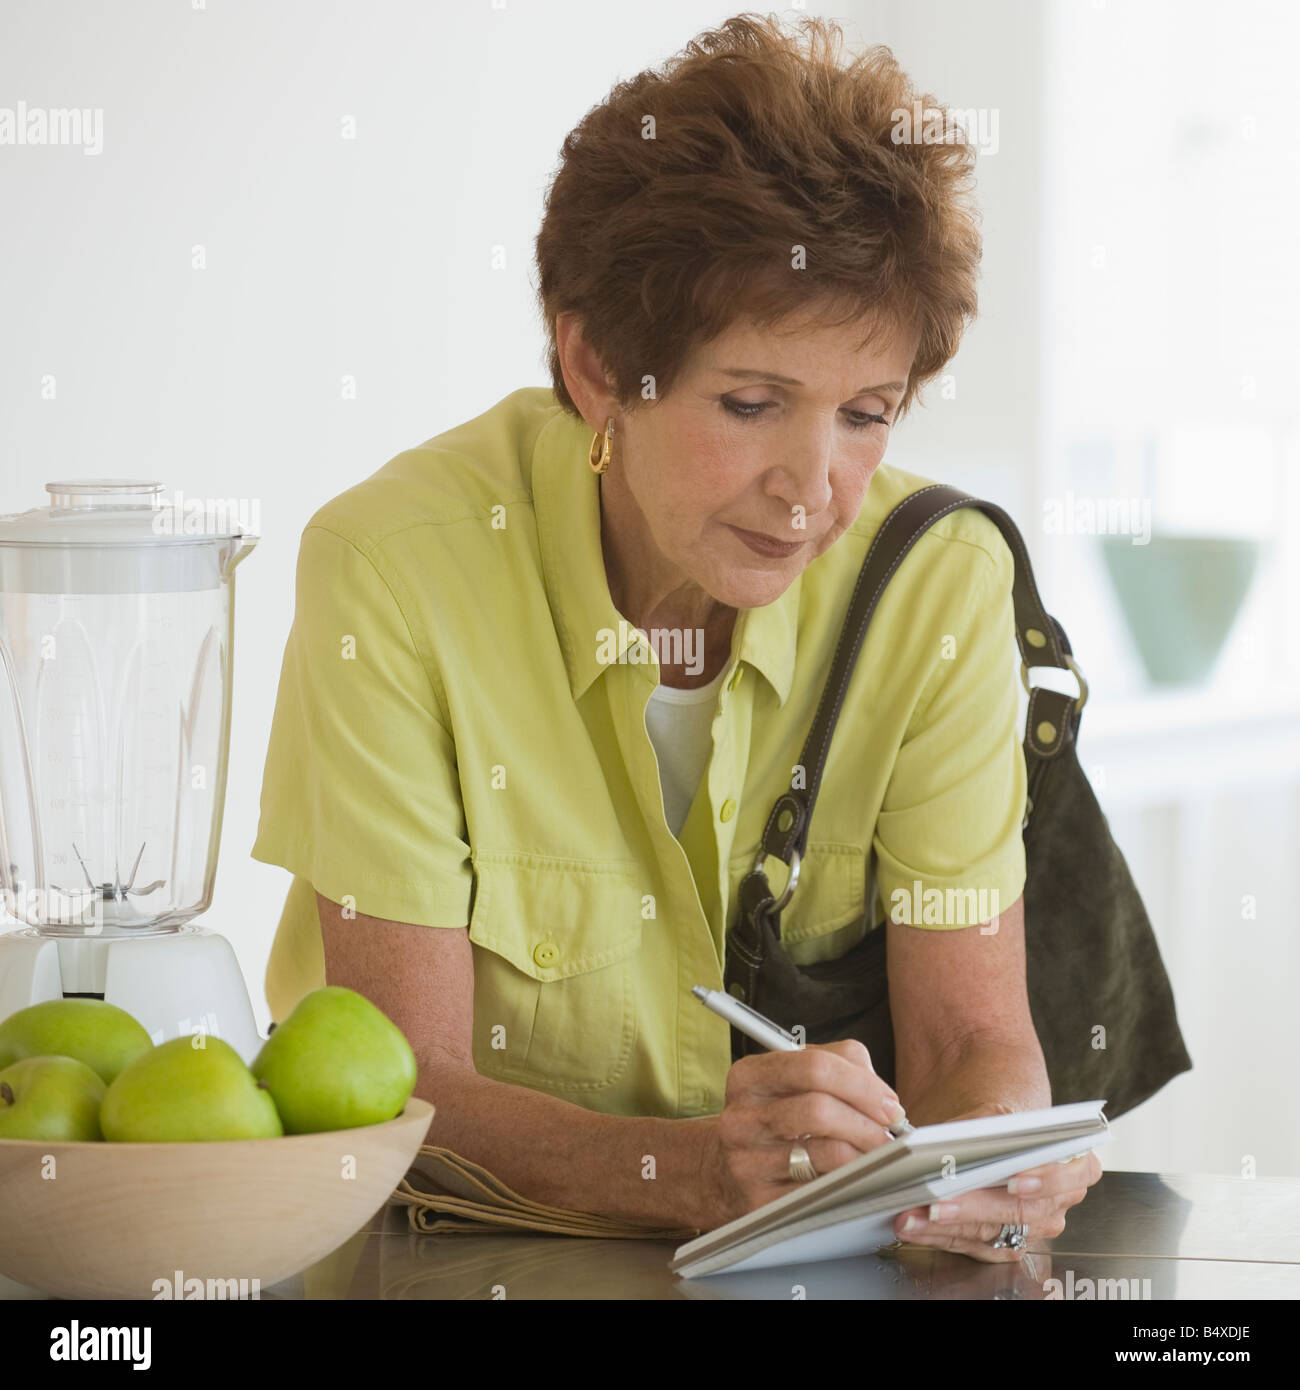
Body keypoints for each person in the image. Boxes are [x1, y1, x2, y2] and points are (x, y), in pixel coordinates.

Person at [252, 12, 1100, 1262]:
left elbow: (976, 1048)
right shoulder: (393, 571)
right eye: (751, 404)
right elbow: (402, 1083)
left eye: (865, 414)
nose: (811, 487)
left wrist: (982, 1165)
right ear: (596, 366)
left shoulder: (937, 585)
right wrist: (692, 1168)